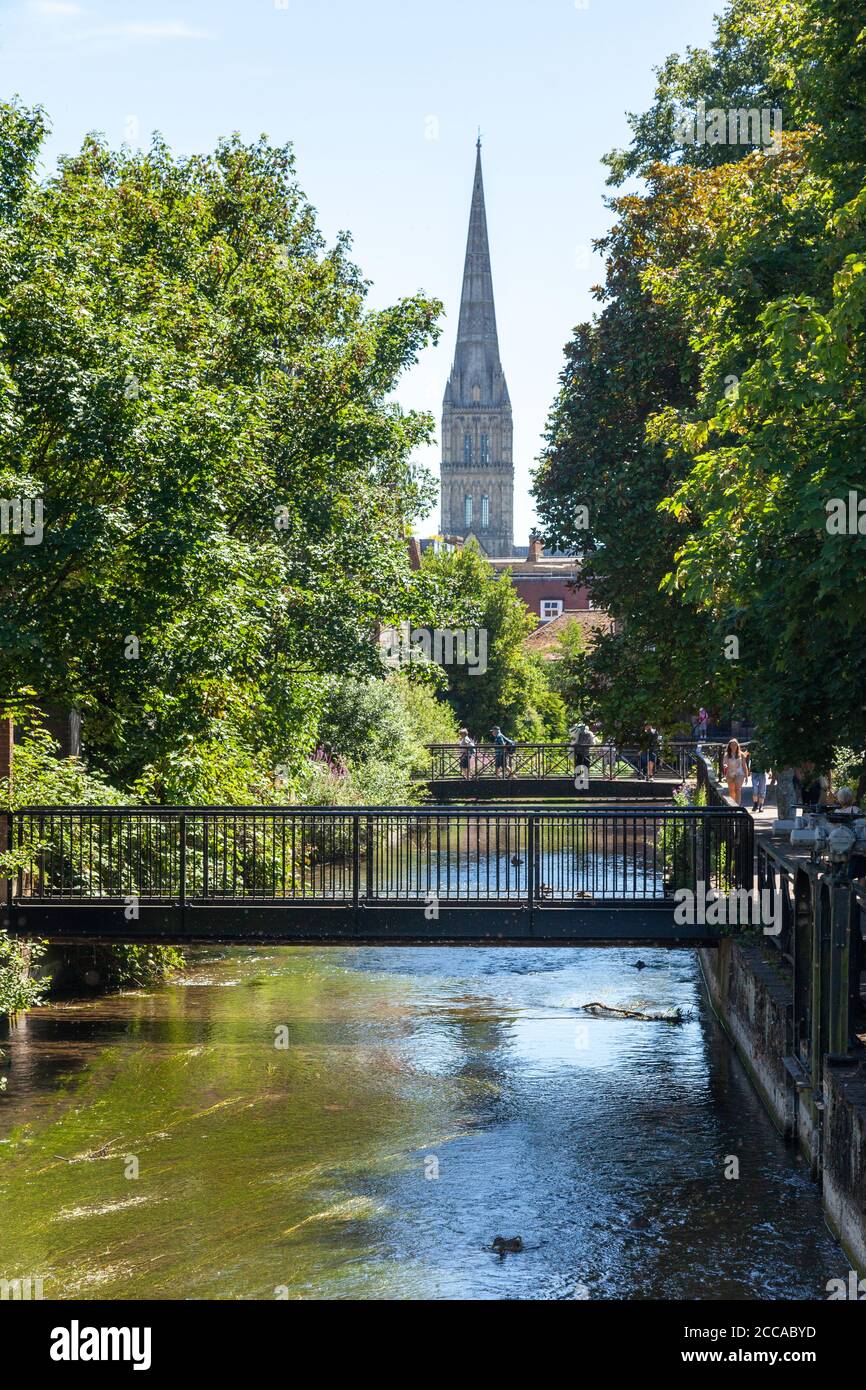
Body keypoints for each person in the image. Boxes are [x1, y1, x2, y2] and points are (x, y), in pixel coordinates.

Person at [723, 738, 749, 805]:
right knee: (731, 791)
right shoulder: (727, 755)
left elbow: (744, 765)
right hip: (730, 773)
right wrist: (725, 766)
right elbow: (724, 763)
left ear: (737, 746)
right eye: (732, 745)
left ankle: (738, 806)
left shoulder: (741, 754)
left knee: (738, 789)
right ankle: (733, 805)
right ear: (729, 746)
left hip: (740, 773)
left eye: (735, 745)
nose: (733, 746)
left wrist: (746, 776)